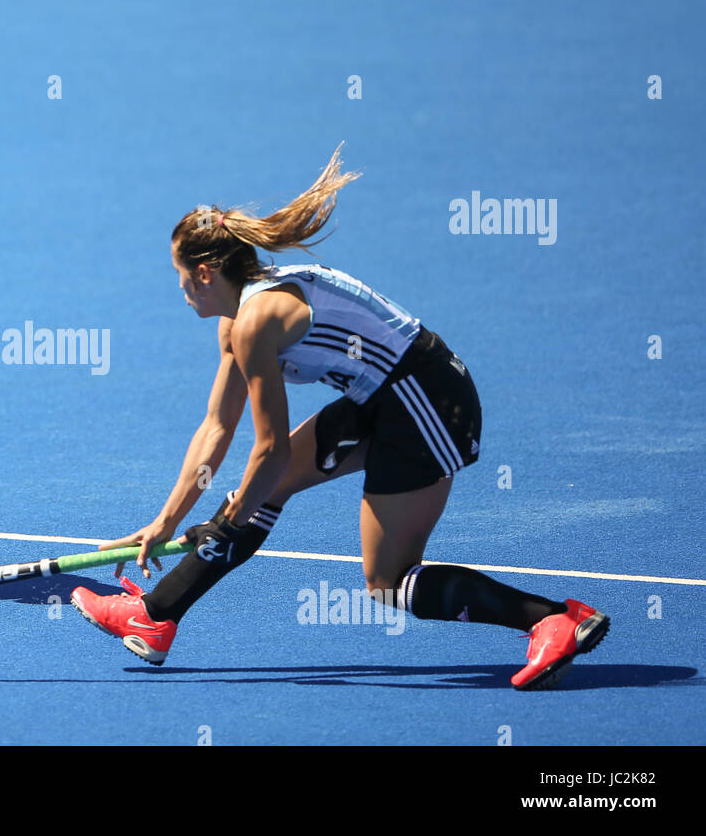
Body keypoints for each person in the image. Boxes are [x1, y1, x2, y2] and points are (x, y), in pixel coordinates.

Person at [70, 147, 608, 690]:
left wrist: (227, 520)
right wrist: (166, 521)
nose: (179, 289)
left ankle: (552, 619)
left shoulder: (258, 321)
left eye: (180, 276)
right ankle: (156, 616)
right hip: (384, 398)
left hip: (429, 404)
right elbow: (216, 428)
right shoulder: (237, 320)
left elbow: (269, 450)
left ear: (206, 273)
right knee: (261, 491)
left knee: (387, 581)